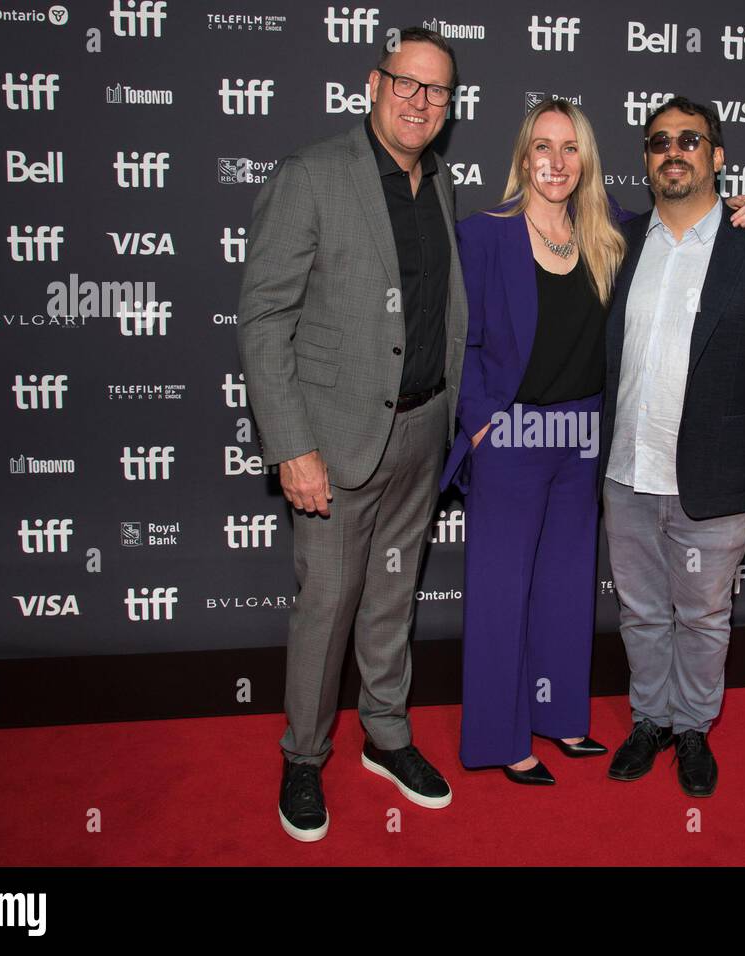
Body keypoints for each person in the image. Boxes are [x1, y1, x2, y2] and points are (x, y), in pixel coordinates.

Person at [441, 100, 745, 784]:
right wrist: (479, 420)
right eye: (541, 147)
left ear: (586, 159)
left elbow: (693, 222)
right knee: (501, 592)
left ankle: (558, 718)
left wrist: (739, 214)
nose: (555, 162)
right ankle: (501, 737)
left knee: (565, 587)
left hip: (585, 437)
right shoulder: (484, 234)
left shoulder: (613, 231)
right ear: (523, 156)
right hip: (514, 435)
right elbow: (457, 343)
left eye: (570, 148)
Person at [237, 27, 466, 841]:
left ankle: (386, 734)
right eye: (407, 83)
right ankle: (303, 757)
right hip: (333, 442)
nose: (420, 102)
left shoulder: (436, 181)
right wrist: (291, 444)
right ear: (374, 83)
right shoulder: (314, 174)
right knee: (327, 607)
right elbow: (265, 320)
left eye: (437, 91)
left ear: (449, 106)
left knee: (392, 599)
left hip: (421, 431)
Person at [599, 96, 745, 798]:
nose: (674, 150)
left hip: (716, 480)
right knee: (640, 613)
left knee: (703, 617)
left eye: (691, 139)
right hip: (627, 474)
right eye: (660, 141)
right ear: (647, 158)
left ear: (717, 155)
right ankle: (649, 718)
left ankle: (692, 727)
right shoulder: (620, 242)